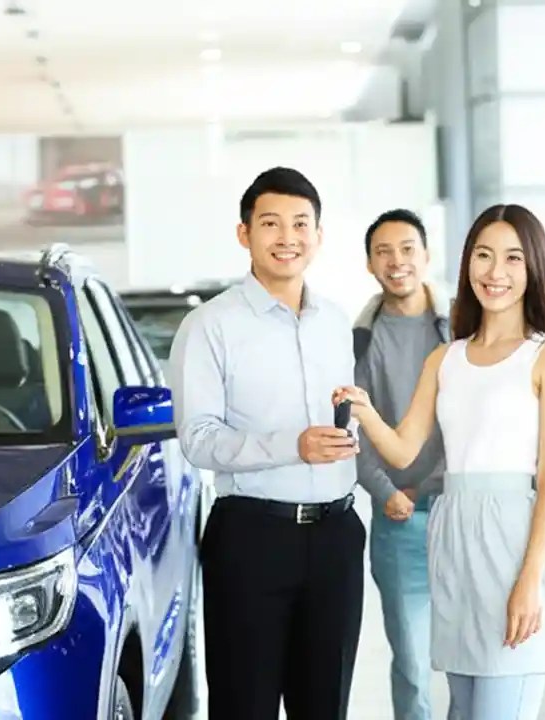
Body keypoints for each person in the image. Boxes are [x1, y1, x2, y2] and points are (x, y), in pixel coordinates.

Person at [334, 204, 545, 720]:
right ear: (467, 264)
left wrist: (530, 580)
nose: (496, 272)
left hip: (513, 543)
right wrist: (364, 409)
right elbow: (403, 449)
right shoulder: (446, 358)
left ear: (533, 267)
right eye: (483, 256)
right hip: (453, 540)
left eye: (512, 258)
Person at [169, 166, 366, 720]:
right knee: (243, 704)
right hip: (252, 536)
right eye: (272, 223)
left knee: (324, 704)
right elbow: (199, 439)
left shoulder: (335, 321)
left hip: (337, 536)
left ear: (319, 237)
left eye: (301, 224)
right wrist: (292, 446)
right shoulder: (211, 326)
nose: (288, 238)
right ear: (244, 234)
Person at [350, 208, 450, 720]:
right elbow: (355, 430)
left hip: (462, 514)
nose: (397, 261)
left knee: (471, 660)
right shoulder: (359, 340)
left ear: (426, 256)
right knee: (411, 663)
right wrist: (385, 490)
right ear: (369, 263)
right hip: (398, 520)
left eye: (407, 249)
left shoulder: (460, 330)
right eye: (383, 251)